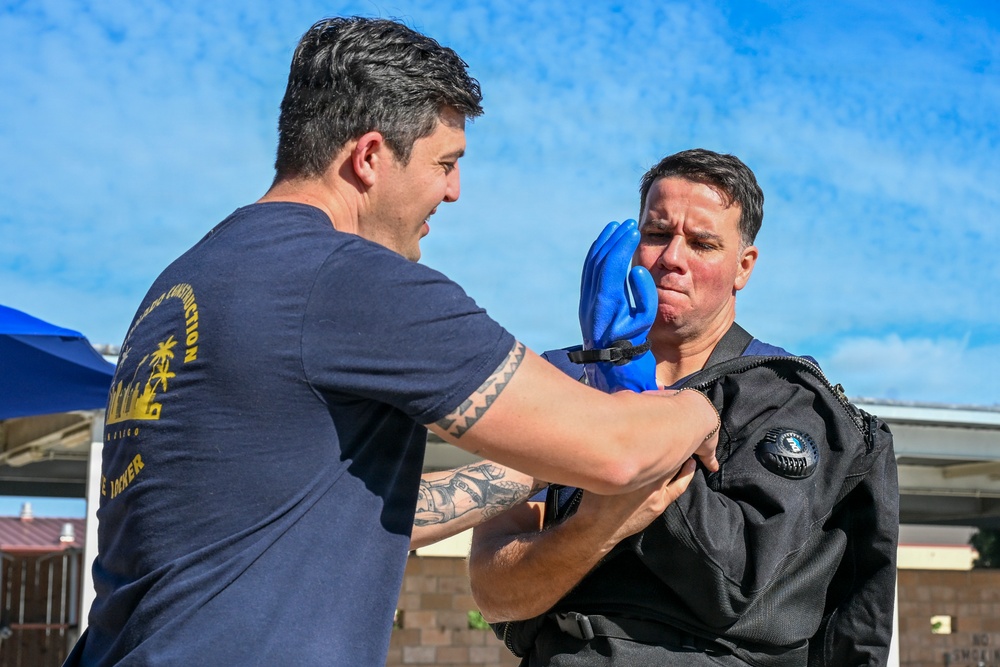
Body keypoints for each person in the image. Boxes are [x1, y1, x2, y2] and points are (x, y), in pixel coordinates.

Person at [64, 18, 723, 667]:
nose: (454, 191)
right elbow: (616, 455)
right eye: (446, 163)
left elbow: (332, 513)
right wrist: (698, 408)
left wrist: (539, 464)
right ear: (370, 156)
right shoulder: (346, 281)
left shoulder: (189, 279)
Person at [469, 149, 899, 666]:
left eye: (703, 243)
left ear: (743, 267)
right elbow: (496, 591)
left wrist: (629, 400)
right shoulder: (558, 378)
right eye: (656, 234)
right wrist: (594, 526)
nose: (673, 257)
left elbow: (727, 581)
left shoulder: (790, 398)